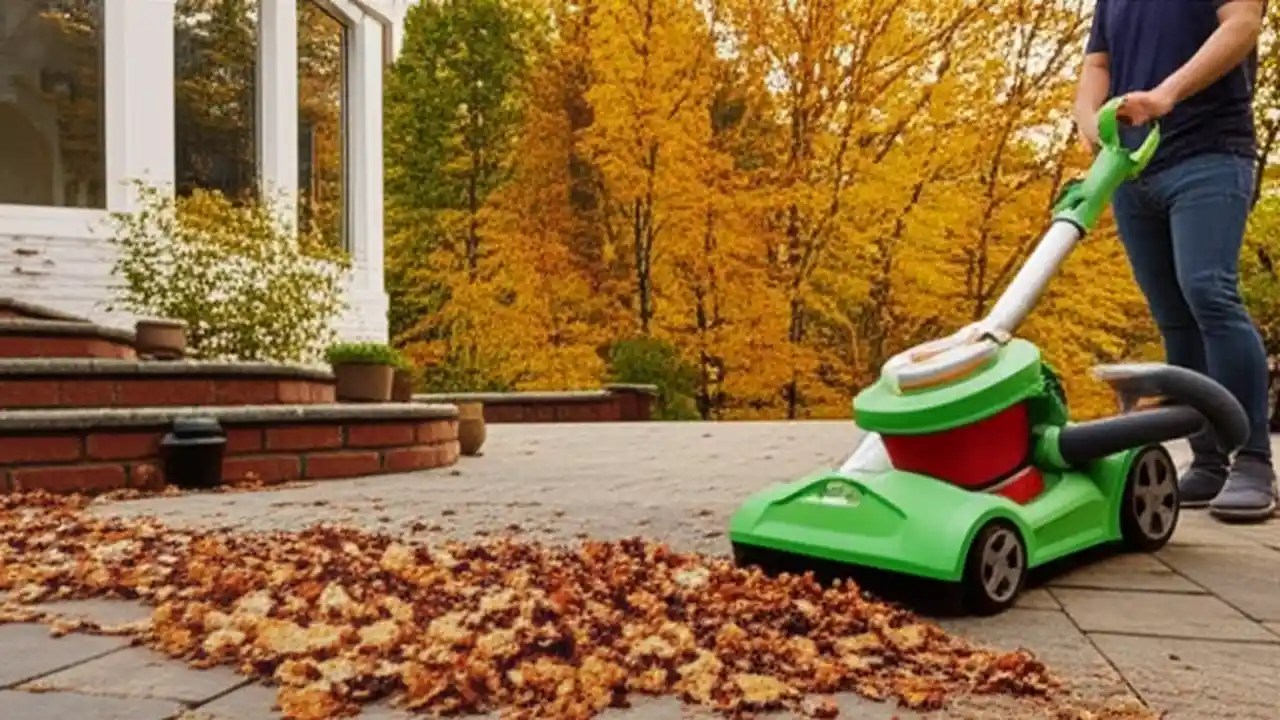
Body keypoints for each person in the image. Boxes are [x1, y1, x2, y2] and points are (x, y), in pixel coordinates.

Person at [1074, 0, 1274, 522]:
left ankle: (1253, 459)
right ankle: (1208, 461)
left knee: (1208, 290)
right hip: (1132, 169)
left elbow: (1243, 25)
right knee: (1173, 315)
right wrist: (1091, 125)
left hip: (1209, 154)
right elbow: (1097, 64)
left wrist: (1167, 93)